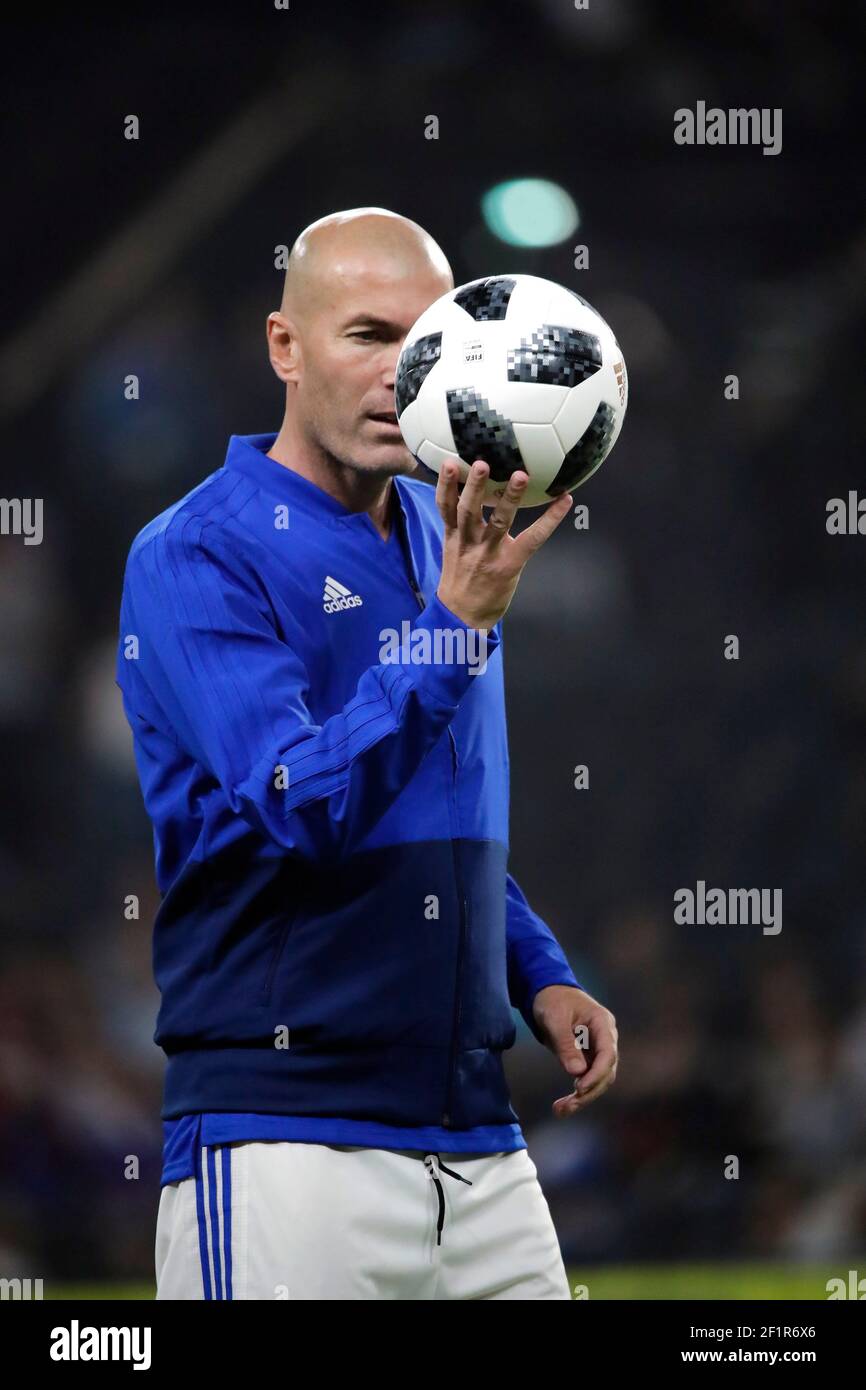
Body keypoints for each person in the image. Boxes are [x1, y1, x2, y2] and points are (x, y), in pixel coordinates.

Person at [116, 207, 618, 1300]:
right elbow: (301, 801)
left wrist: (534, 972)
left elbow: (439, 805)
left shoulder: (451, 539)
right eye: (366, 336)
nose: (404, 372)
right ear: (283, 348)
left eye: (425, 338)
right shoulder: (194, 554)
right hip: (285, 1143)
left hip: (479, 1139)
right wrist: (451, 629)